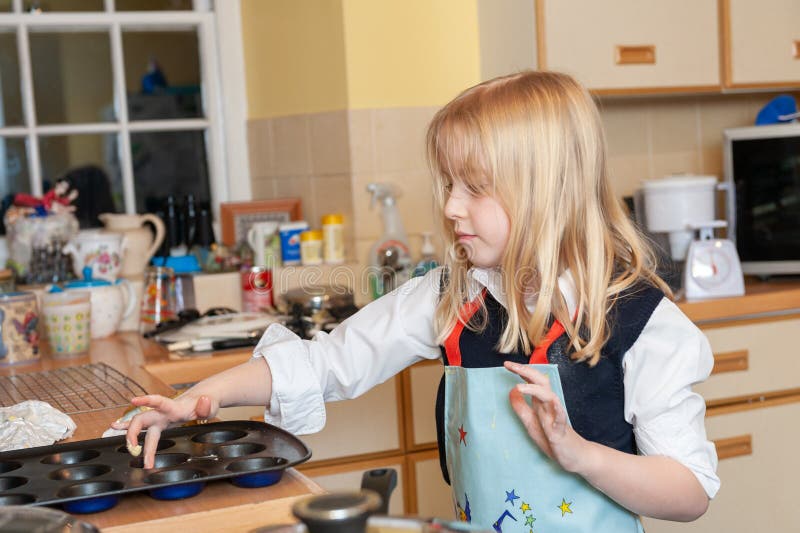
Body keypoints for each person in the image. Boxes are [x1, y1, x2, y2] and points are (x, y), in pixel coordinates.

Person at [113, 71, 718, 531]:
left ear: (545, 191)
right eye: (448, 185)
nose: (451, 207)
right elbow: (325, 363)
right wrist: (197, 398)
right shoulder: (454, 296)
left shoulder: (639, 322)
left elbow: (688, 491)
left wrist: (581, 456)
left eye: (474, 188)